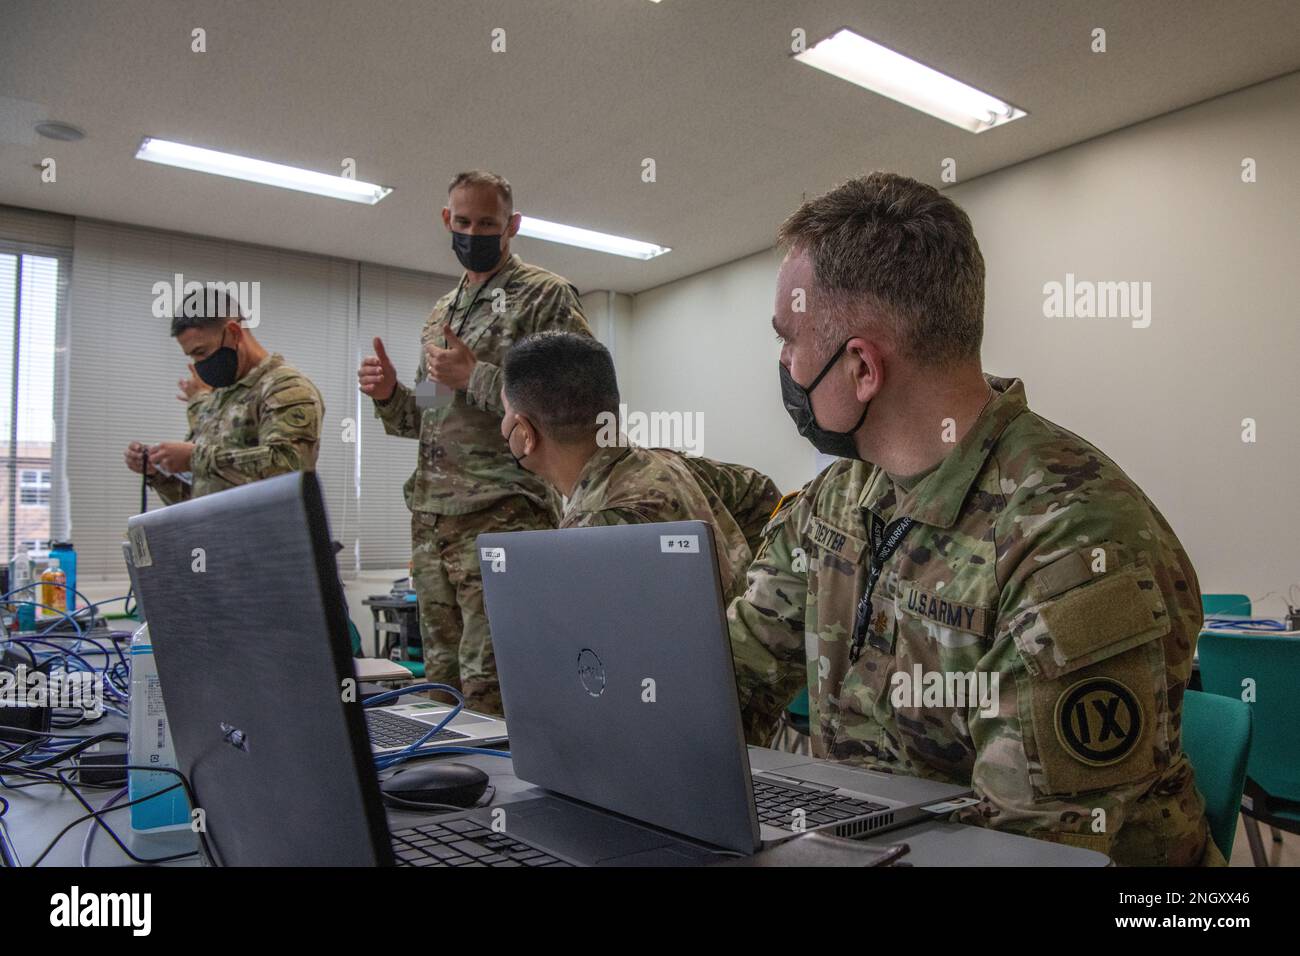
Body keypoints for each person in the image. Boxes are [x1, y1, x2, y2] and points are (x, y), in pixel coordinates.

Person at [728, 171, 1216, 866]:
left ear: (861, 368)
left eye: (789, 339)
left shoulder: (1072, 540)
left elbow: (1024, 852)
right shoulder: (838, 499)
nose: (783, 362)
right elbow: (733, 675)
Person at [358, 170, 590, 714]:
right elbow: (427, 415)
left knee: (497, 686)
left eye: (487, 223)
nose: (472, 233)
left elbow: (575, 399)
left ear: (512, 225)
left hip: (502, 513)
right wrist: (390, 394)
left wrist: (478, 376)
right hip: (433, 521)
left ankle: (511, 776)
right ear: (447, 219)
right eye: (462, 222)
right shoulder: (443, 312)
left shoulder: (546, 295)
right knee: (439, 690)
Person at [499, 331, 763, 602]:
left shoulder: (593, 526)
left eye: (506, 411)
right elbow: (758, 489)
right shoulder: (667, 463)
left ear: (525, 433)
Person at [124, 289, 323, 504]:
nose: (198, 364)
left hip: (268, 526)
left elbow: (289, 467)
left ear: (234, 333)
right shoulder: (218, 397)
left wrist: (194, 458)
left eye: (201, 352)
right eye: (192, 356)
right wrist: (158, 472)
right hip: (218, 526)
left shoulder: (286, 388)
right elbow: (200, 496)